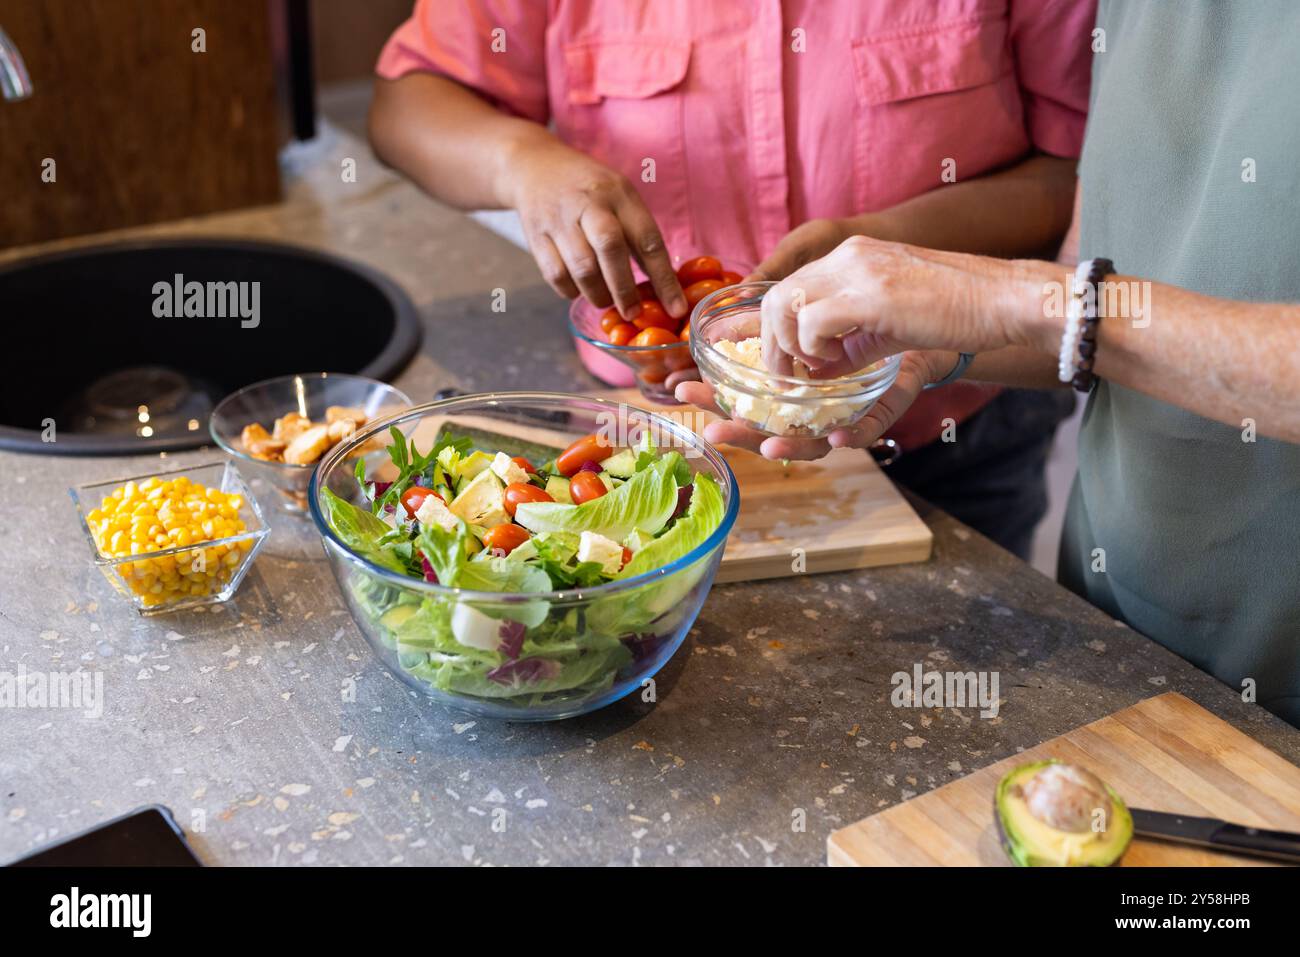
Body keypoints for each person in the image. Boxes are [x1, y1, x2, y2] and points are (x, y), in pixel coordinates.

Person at [680, 0, 1300, 723]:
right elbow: (1098, 266)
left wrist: (1011, 295)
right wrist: (923, 345)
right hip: (1123, 604)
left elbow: (1069, 301)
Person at [367, 0, 1096, 558]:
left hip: (949, 431)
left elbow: (1081, 170)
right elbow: (407, 103)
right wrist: (520, 161)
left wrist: (883, 253)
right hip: (646, 429)